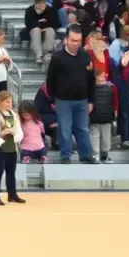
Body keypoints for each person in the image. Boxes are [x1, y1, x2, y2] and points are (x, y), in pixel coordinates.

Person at [45, 24, 95, 164]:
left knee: (83, 129)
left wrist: (91, 100)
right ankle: (65, 155)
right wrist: (53, 98)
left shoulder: (86, 57)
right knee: (65, 129)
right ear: (66, 39)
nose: (76, 43)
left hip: (82, 100)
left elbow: (91, 80)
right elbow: (51, 79)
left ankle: (86, 155)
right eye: (73, 40)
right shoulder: (58, 57)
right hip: (63, 100)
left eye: (78, 41)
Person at [0, 90, 26, 206]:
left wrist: (15, 137)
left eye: (11, 102)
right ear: (0, 102)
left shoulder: (13, 114)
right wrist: (0, 139)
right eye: (7, 102)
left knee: (11, 170)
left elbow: (19, 131)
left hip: (11, 144)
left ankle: (12, 194)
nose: (10, 105)